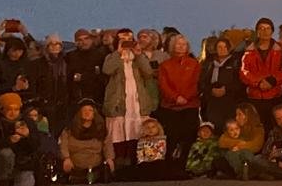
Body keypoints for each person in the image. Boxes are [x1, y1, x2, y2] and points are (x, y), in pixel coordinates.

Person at [101, 29, 156, 164]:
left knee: (136, 132)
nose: (127, 42)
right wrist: (118, 53)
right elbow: (107, 70)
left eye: (129, 39)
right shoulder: (111, 56)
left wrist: (138, 55)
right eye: (123, 40)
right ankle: (119, 163)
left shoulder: (138, 57)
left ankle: (135, 162)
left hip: (136, 102)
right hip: (118, 102)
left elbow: (148, 73)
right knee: (117, 135)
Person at [155, 33, 202, 164]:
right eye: (178, 44)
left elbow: (196, 83)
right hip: (170, 107)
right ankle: (169, 164)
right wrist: (176, 97)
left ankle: (186, 164)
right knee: (171, 136)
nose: (181, 47)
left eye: (184, 45)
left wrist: (186, 97)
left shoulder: (194, 64)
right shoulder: (165, 65)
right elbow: (163, 84)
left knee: (189, 136)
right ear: (172, 46)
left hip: (190, 105)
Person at [239, 17, 282, 129]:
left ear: (272, 31)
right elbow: (244, 72)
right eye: (261, 28)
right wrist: (258, 83)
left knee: (275, 128)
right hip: (255, 96)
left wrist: (272, 81)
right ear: (257, 32)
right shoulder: (248, 51)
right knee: (256, 128)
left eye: (267, 28)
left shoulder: (280, 50)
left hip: (275, 96)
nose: (265, 31)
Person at [0, 93, 38, 186]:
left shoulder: (28, 122)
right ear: (2, 109)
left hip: (23, 163)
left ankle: (17, 181)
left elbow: (36, 146)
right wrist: (9, 141)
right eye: (9, 109)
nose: (13, 113)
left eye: (16, 109)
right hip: (5, 164)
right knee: (5, 153)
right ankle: (3, 182)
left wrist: (27, 136)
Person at [59, 99, 113, 183]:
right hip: (75, 169)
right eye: (84, 110)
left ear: (94, 113)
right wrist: (66, 158)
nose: (87, 112)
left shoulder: (101, 130)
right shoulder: (69, 130)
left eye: (90, 110)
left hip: (96, 168)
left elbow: (108, 146)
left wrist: (110, 159)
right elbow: (63, 145)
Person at [199, 36, 242, 132]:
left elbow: (239, 82)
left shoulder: (235, 63)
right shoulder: (209, 64)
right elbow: (202, 83)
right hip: (213, 104)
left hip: (230, 102)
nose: (222, 50)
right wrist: (211, 90)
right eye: (219, 47)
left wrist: (226, 89)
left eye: (225, 47)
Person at [30, 33, 71, 133]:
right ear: (47, 47)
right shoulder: (37, 64)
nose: (54, 46)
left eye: (57, 44)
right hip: (44, 104)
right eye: (51, 44)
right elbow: (34, 84)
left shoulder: (67, 62)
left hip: (62, 105)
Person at [216, 103, 265, 179]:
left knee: (256, 160)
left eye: (240, 114)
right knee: (221, 160)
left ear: (248, 115)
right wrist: (237, 143)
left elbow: (256, 145)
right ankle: (242, 172)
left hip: (250, 154)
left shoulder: (258, 128)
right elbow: (222, 141)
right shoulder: (236, 126)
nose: (236, 118)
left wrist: (240, 147)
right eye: (236, 115)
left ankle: (245, 172)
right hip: (234, 153)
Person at [65, 29, 107, 111]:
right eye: (80, 40)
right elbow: (69, 77)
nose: (84, 42)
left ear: (91, 40)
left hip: (97, 98)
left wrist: (83, 77)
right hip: (77, 98)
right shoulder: (70, 56)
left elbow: (102, 76)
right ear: (76, 42)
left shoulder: (100, 56)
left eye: (86, 38)